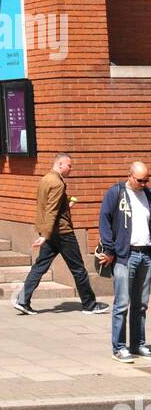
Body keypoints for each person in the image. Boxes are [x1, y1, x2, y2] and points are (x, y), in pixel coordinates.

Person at [15, 152, 109, 316]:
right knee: (78, 269)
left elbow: (47, 206)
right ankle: (89, 305)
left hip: (51, 232)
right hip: (62, 233)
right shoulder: (58, 183)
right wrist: (45, 235)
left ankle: (22, 300)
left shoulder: (45, 179)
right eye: (69, 165)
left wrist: (65, 207)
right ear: (60, 164)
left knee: (39, 266)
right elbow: (51, 210)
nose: (70, 169)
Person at [98, 161, 151, 362]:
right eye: (140, 180)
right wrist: (109, 249)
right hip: (124, 255)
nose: (144, 184)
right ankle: (119, 348)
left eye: (147, 180)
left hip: (145, 254)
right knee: (122, 304)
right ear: (129, 176)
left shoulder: (147, 194)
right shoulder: (116, 193)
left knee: (141, 304)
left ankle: (138, 344)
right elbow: (104, 221)